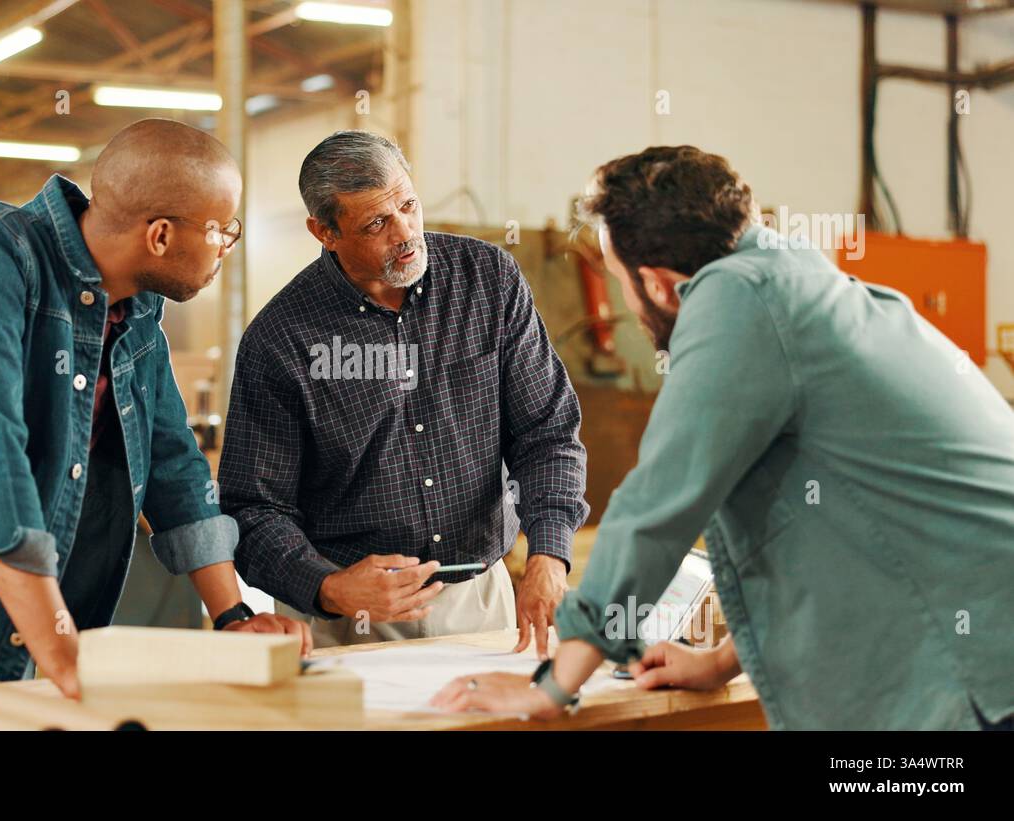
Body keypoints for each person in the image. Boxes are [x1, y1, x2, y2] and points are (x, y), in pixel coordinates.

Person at [432, 145, 1014, 730]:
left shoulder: (737, 301)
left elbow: (657, 506)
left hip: (979, 676)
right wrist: (721, 663)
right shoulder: (795, 279)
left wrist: (551, 686)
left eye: (620, 283)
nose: (629, 307)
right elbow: (829, 530)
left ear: (658, 285)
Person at [0, 119, 309, 699]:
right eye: (222, 229)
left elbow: (175, 465)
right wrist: (66, 662)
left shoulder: (139, 310)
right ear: (160, 236)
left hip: (37, 634)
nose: (226, 245)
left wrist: (235, 618)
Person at [220, 130, 588, 654]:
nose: (406, 233)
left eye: (409, 205)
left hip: (480, 600)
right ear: (324, 231)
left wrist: (548, 556)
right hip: (348, 619)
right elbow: (253, 508)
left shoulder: (489, 280)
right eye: (377, 223)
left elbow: (547, 435)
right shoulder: (280, 338)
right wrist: (327, 587)